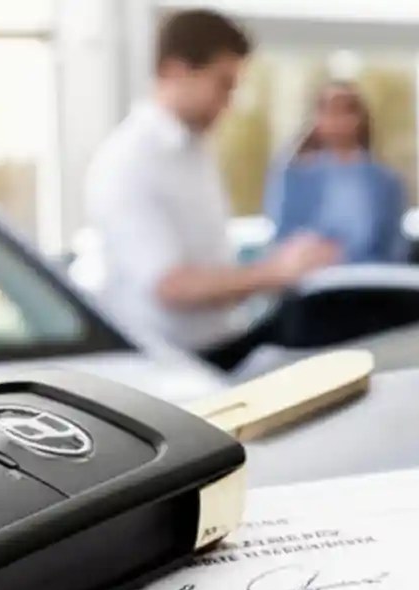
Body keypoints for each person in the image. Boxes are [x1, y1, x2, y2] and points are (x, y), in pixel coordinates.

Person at [85, 10, 339, 372]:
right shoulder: (129, 161)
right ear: (175, 71)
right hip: (168, 368)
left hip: (220, 348)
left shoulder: (195, 150)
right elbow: (170, 285)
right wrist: (276, 272)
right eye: (223, 84)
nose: (229, 102)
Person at [264, 81, 408, 264]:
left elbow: (394, 245)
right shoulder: (296, 175)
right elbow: (284, 236)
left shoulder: (386, 181)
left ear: (361, 117)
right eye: (328, 110)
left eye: (346, 110)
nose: (337, 119)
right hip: (313, 279)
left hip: (371, 278)